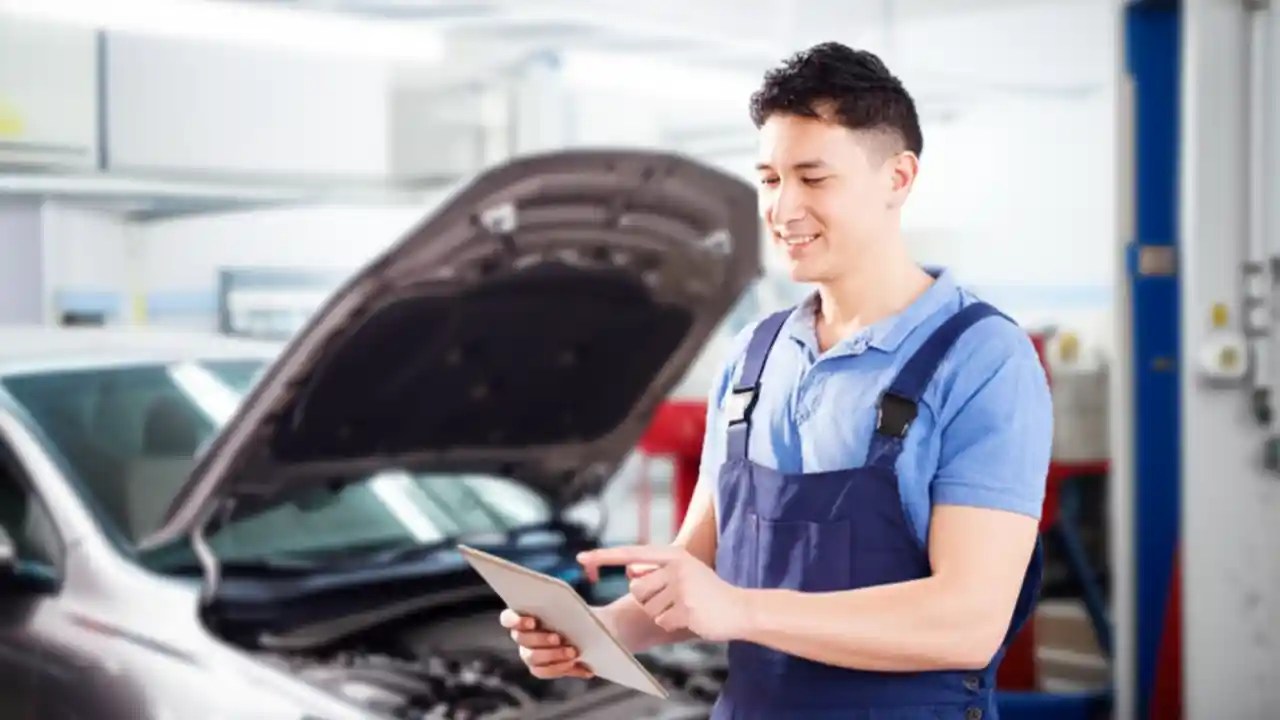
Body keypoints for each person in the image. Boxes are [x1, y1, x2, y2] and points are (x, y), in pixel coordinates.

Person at [500, 41, 1052, 719]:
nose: (783, 209)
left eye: (813, 179)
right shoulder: (754, 356)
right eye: (769, 178)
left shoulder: (983, 359)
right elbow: (697, 574)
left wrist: (740, 609)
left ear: (898, 178)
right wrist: (605, 631)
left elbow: (967, 623)